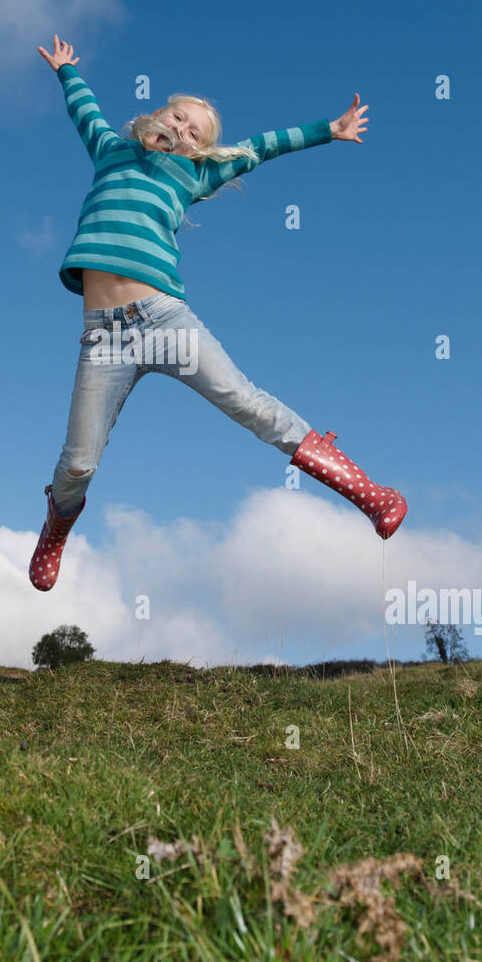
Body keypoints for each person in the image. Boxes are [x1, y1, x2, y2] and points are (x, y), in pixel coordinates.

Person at [29, 35, 406, 591]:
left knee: (246, 400)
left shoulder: (194, 176)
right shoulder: (110, 150)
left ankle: (370, 493)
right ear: (158, 114)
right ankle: (56, 527)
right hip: (104, 337)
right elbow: (84, 109)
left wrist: (330, 129)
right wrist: (66, 71)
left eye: (195, 133)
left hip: (165, 321)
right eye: (179, 117)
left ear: (198, 150)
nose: (183, 130)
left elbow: (262, 146)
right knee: (79, 462)